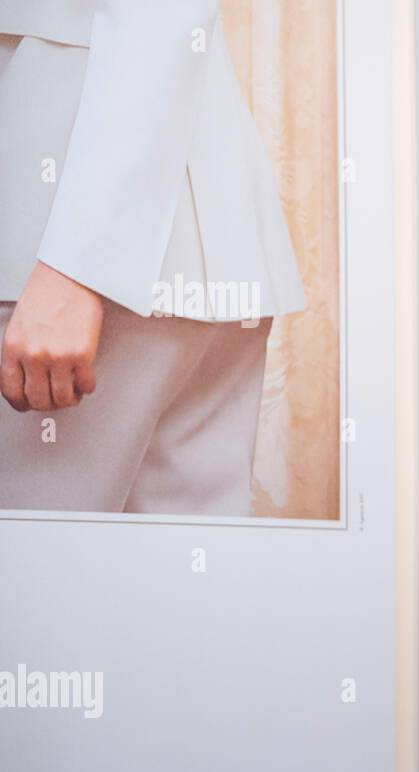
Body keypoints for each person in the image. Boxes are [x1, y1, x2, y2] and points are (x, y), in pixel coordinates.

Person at [0, 0, 306, 515]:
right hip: (201, 244)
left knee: (33, 578)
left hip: (60, 233)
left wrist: (79, 264)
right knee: (178, 579)